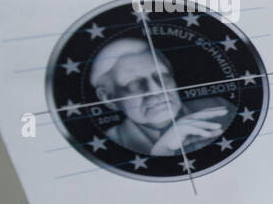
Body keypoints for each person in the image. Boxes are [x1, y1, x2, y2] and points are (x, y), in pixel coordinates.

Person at [89, 38, 235, 157]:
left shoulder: (218, 106)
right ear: (109, 99)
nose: (157, 90)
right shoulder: (109, 145)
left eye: (162, 76)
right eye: (134, 84)